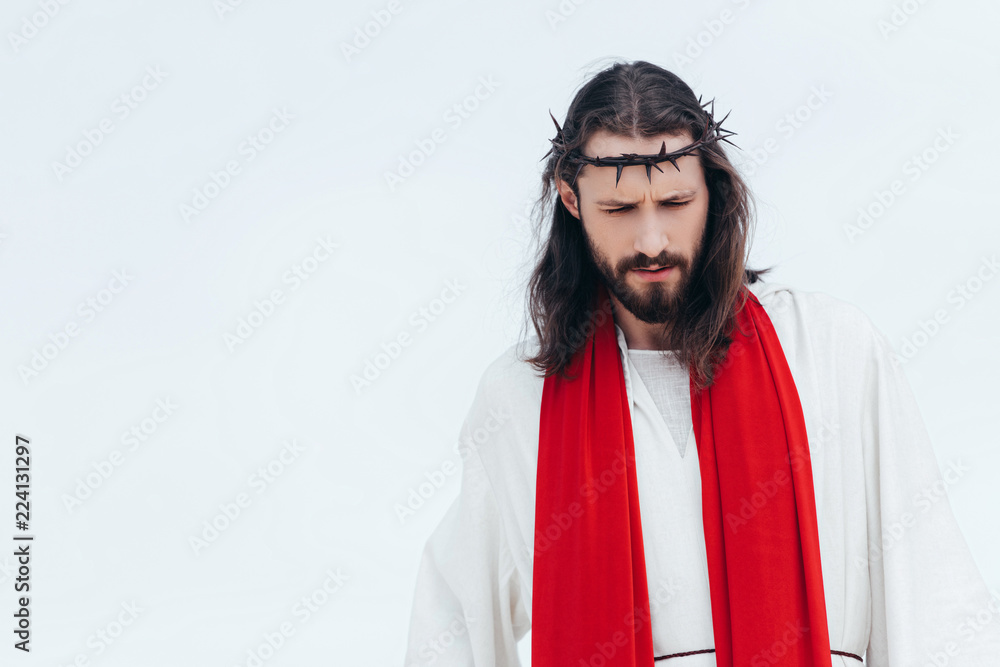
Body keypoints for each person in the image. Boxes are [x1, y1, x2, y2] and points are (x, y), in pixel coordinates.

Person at [403, 60, 1000, 667]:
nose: (652, 239)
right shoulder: (518, 400)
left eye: (675, 201)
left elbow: (937, 607)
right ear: (570, 197)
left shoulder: (834, 350)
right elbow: (451, 622)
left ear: (712, 191)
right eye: (620, 209)